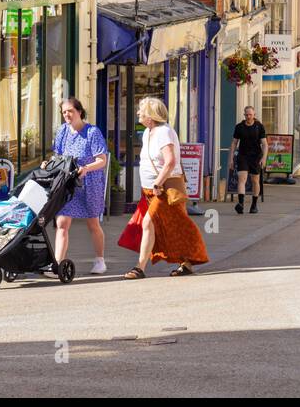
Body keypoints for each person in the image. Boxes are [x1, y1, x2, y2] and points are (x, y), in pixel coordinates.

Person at [124, 97, 209, 279]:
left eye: (141, 110)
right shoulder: (148, 132)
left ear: (151, 115)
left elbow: (170, 161)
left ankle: (140, 267)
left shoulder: (163, 132)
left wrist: (158, 183)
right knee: (173, 226)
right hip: (150, 189)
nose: (138, 113)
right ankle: (186, 262)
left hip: (162, 189)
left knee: (148, 223)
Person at [53, 97, 110, 275]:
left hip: (89, 182)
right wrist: (49, 164)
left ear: (79, 111)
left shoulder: (92, 132)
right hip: (69, 181)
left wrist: (86, 168)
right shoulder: (62, 131)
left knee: (92, 223)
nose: (67, 115)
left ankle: (100, 260)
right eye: (64, 112)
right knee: (62, 221)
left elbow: (102, 160)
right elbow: (57, 156)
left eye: (70, 110)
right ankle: (57, 264)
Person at [229, 106, 268, 214]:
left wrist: (264, 158)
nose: (248, 117)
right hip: (243, 155)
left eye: (250, 115)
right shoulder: (239, 127)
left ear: (254, 115)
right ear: (244, 115)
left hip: (256, 156)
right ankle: (240, 204)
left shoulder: (259, 127)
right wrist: (231, 159)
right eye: (246, 114)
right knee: (242, 179)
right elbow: (234, 143)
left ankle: (254, 205)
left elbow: (264, 144)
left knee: (255, 180)